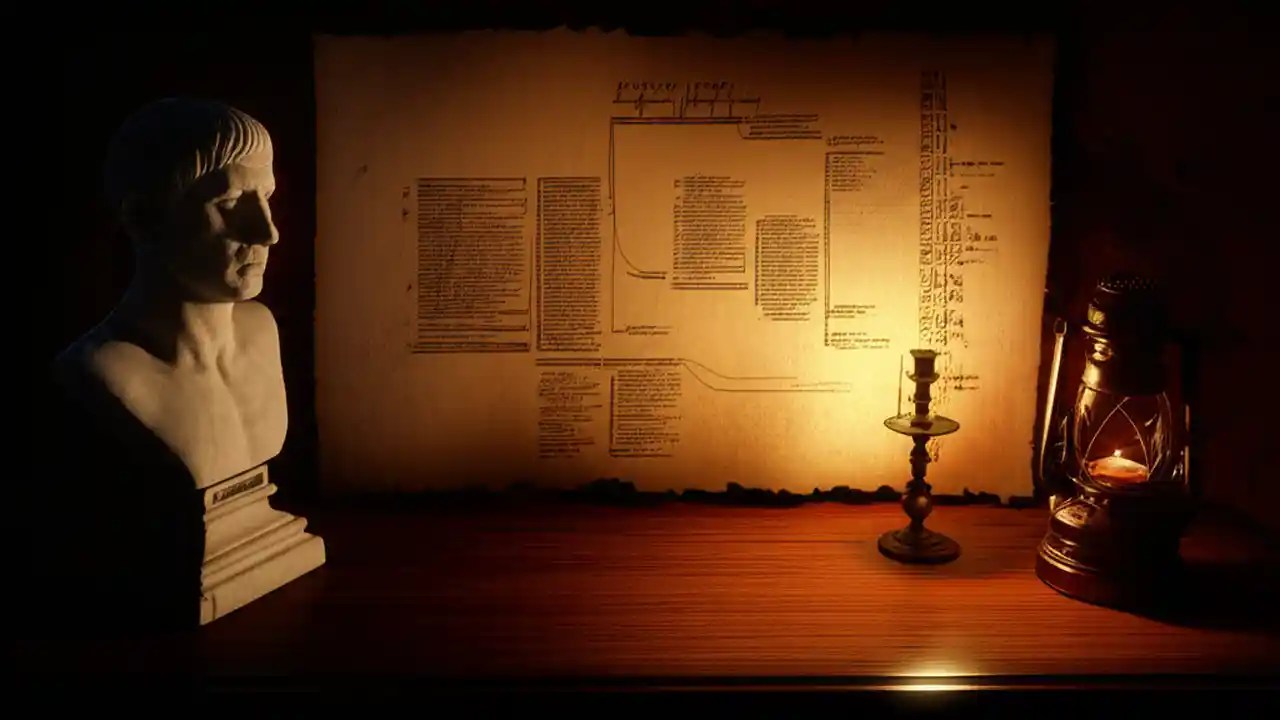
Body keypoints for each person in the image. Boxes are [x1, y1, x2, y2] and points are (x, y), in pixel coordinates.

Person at [36, 98, 288, 632]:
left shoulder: (262, 330)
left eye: (266, 198)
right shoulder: (102, 371)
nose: (267, 233)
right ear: (144, 218)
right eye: (230, 202)